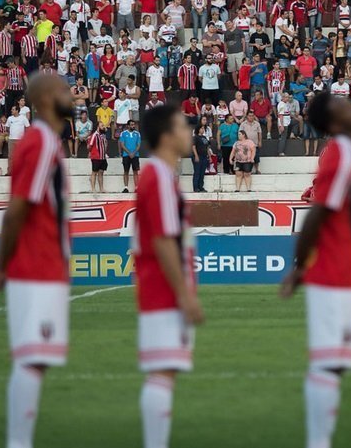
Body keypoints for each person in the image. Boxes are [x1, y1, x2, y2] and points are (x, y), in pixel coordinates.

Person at [0, 74, 74, 448]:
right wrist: (1, 267)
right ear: (48, 98)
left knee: (36, 358)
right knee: (32, 358)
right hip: (35, 265)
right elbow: (17, 208)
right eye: (66, 90)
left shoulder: (48, 142)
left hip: (45, 265)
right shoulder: (38, 142)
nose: (73, 95)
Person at [280, 90, 351, 448]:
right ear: (334, 122)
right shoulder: (340, 155)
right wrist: (301, 266)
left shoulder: (350, 154)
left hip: (346, 272)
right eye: (343, 105)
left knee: (336, 364)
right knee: (327, 363)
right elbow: (318, 210)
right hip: (332, 271)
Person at [133, 104, 204, 448]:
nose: (188, 131)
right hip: (163, 290)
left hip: (160, 288)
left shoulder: (161, 176)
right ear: (166, 135)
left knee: (165, 373)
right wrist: (185, 294)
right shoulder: (159, 176)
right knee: (162, 372)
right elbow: (163, 240)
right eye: (181, 125)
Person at [119, 120, 142, 193]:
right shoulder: (123, 133)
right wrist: (129, 153)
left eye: (134, 124)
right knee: (126, 171)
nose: (133, 126)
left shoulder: (137, 134)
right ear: (128, 126)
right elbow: (122, 145)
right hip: (126, 155)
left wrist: (134, 153)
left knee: (135, 171)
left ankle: (137, 187)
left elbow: (138, 145)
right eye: (131, 125)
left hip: (135, 155)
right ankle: (126, 187)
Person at [88, 122, 109, 193]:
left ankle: (101, 189)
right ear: (98, 127)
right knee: (94, 172)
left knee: (101, 172)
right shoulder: (94, 135)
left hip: (103, 157)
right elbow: (89, 146)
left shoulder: (103, 135)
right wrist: (91, 152)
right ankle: (93, 189)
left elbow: (105, 145)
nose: (104, 127)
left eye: (103, 125)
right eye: (102, 126)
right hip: (96, 157)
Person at [191, 125, 211, 193]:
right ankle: (196, 187)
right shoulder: (195, 137)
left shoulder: (205, 137)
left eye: (203, 128)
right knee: (197, 172)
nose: (203, 129)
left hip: (204, 156)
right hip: (198, 156)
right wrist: (196, 156)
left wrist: (210, 157)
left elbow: (207, 148)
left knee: (202, 172)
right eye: (201, 128)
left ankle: (201, 187)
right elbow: (193, 147)